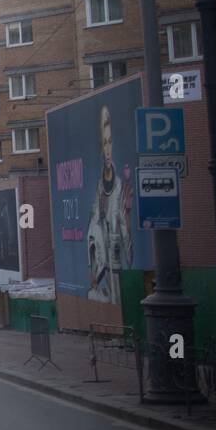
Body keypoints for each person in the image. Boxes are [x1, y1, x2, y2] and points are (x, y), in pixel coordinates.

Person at [86, 105, 133, 304]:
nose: (107, 148)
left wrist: (127, 213)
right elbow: (93, 230)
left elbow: (124, 230)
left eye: (110, 142)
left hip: (117, 265)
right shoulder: (99, 188)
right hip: (104, 268)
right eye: (104, 142)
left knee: (119, 299)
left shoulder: (120, 185)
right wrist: (96, 271)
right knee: (97, 297)